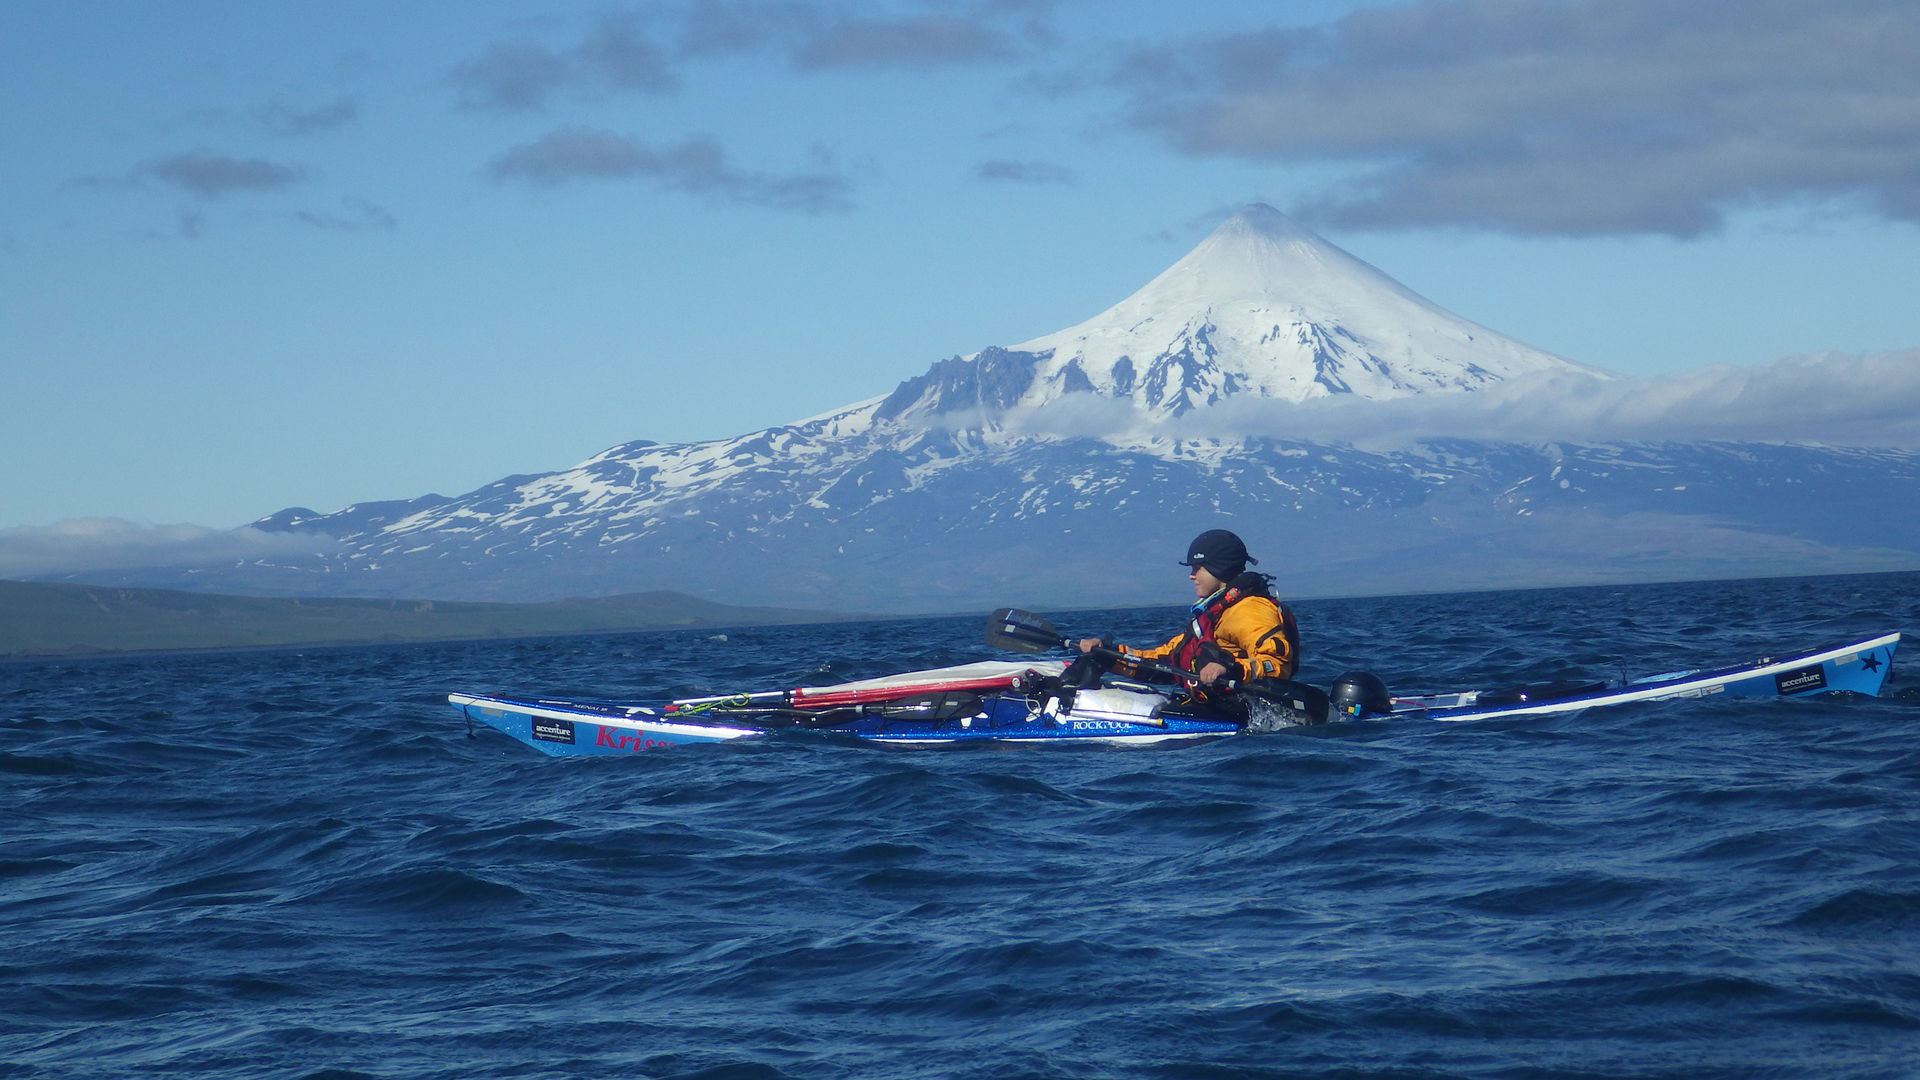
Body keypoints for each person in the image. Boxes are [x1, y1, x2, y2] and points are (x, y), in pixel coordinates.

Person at [1073, 529, 1297, 694]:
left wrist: (1230, 669)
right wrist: (1108, 654)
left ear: (1220, 568)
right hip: (1212, 708)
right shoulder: (1214, 614)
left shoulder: (1248, 611)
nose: (1191, 575)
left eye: (1197, 568)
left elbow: (1277, 664)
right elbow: (1167, 661)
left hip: (1241, 714)